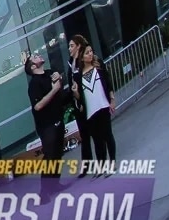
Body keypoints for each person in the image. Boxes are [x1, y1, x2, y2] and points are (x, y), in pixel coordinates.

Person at [72, 37, 117, 173]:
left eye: (91, 51)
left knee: (107, 135)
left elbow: (108, 83)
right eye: (87, 53)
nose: (90, 54)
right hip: (90, 111)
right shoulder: (78, 75)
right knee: (97, 140)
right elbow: (80, 98)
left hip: (103, 106)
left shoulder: (99, 65)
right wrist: (76, 94)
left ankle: (112, 162)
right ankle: (102, 166)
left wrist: (112, 100)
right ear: (81, 56)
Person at [24, 51, 67, 176]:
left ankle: (56, 183)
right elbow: (37, 106)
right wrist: (54, 90)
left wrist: (60, 77)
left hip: (58, 118)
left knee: (58, 152)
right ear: (33, 66)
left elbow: (59, 84)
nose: (38, 55)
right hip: (46, 125)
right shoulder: (34, 85)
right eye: (35, 57)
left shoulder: (49, 73)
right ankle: (45, 189)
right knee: (50, 155)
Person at [66, 35, 93, 168]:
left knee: (96, 132)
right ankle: (87, 165)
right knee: (84, 134)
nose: (69, 48)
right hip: (77, 104)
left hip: (88, 102)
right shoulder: (71, 63)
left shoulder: (85, 60)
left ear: (78, 46)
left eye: (71, 45)